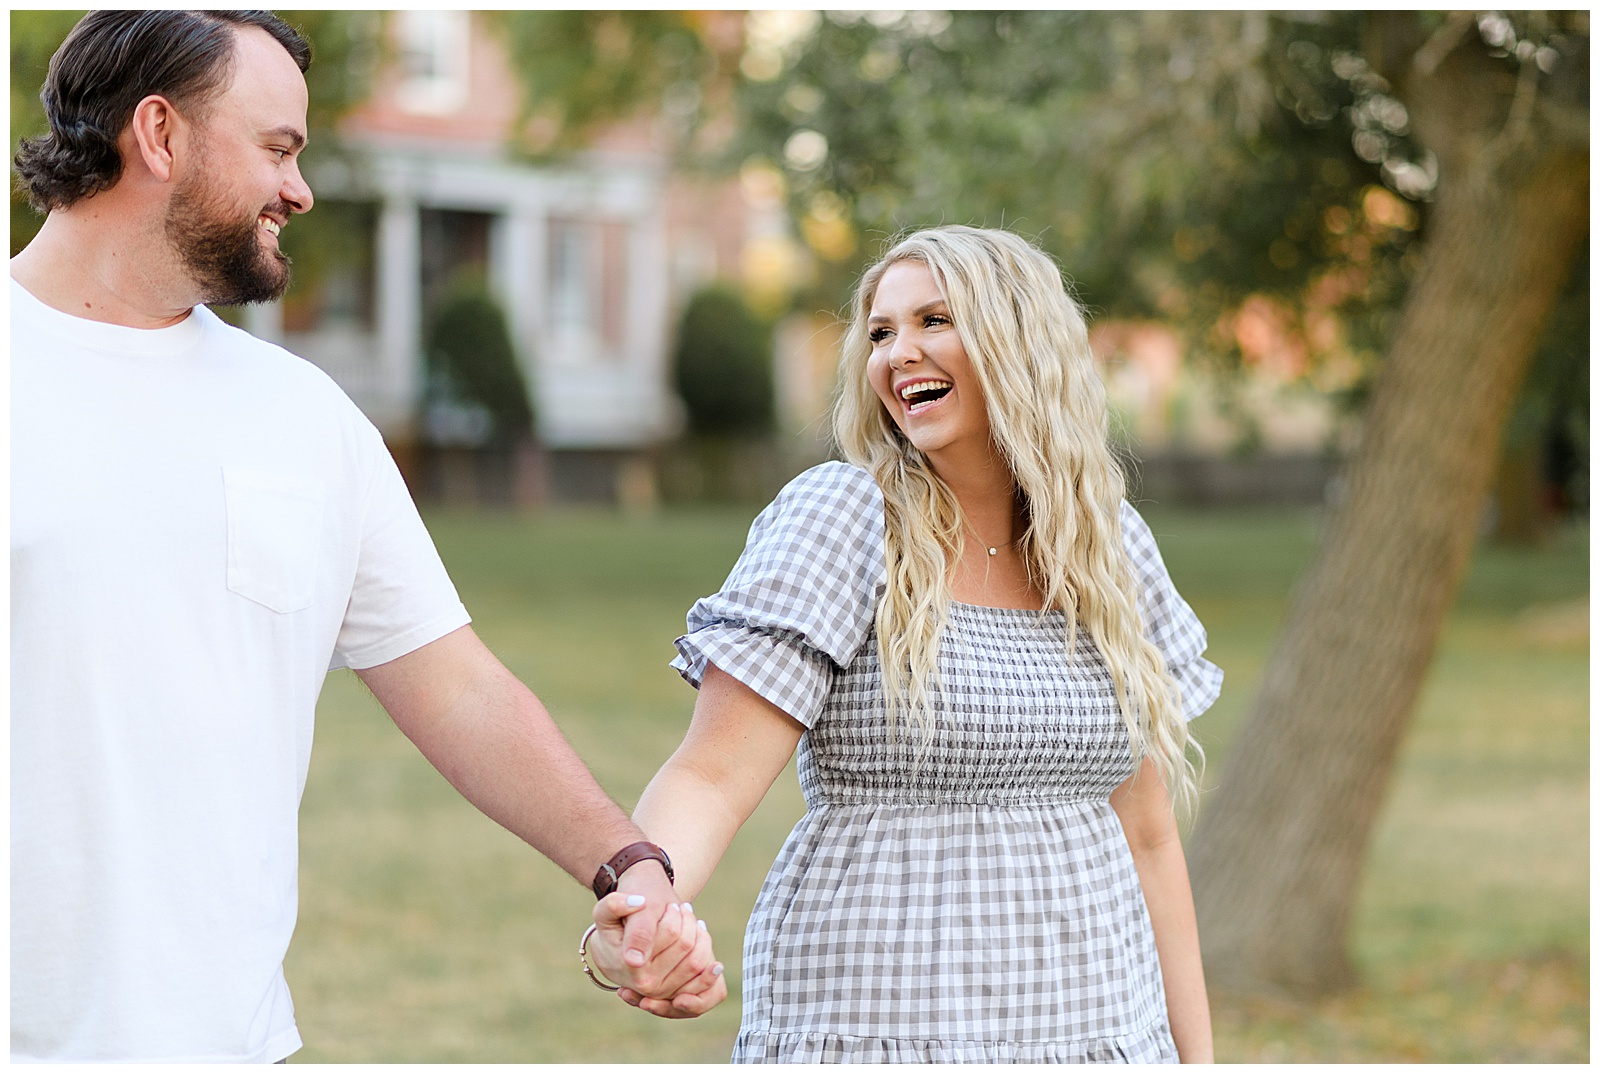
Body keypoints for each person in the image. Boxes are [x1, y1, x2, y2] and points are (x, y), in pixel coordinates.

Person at [9, 10, 722, 1063]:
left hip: (230, 1044)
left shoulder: (306, 417)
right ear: (158, 135)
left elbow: (455, 686)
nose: (299, 190)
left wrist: (629, 867)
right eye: (278, 148)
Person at [623, 226, 1224, 1059]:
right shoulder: (845, 517)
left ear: (1021, 346)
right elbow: (713, 778)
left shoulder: (1108, 546)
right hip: (885, 1022)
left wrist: (1196, 1060)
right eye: (880, 332)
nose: (898, 352)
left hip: (1094, 1029)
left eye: (934, 320)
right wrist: (643, 902)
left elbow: (1150, 836)